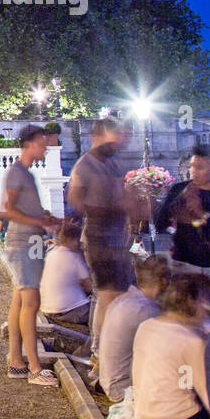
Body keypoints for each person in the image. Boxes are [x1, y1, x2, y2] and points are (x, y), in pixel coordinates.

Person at [69, 118, 144, 356]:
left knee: (113, 295)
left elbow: (122, 198)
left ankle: (105, 349)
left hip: (115, 238)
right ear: (97, 137)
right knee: (107, 296)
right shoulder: (86, 165)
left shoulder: (111, 164)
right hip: (99, 239)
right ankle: (99, 353)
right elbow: (75, 199)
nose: (120, 141)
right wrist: (105, 209)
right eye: (115, 137)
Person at [0, 124, 63, 387]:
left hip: (29, 241)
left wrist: (48, 219)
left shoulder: (25, 173)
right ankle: (34, 369)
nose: (45, 147)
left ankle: (17, 361)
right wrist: (40, 222)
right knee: (31, 303)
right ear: (29, 144)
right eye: (42, 143)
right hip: (24, 243)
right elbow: (7, 210)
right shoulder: (17, 173)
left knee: (20, 303)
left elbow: (22, 209)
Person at [132, 273, 210, 419]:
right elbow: (209, 395)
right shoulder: (191, 342)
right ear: (193, 302)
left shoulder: (147, 326)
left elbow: (182, 378)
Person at [154, 146, 210, 316]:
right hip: (184, 265)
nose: (193, 171)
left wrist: (201, 216)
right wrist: (171, 211)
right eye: (191, 166)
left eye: (200, 167)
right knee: (184, 317)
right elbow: (160, 223)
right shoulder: (179, 191)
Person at [99, 256, 170, 402]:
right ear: (164, 282)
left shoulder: (127, 298)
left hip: (111, 382)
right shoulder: (146, 310)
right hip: (124, 390)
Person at [39, 219, 94, 331]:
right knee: (104, 310)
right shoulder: (73, 257)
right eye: (80, 241)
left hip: (48, 308)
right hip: (69, 310)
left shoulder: (51, 253)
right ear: (74, 241)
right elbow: (89, 287)